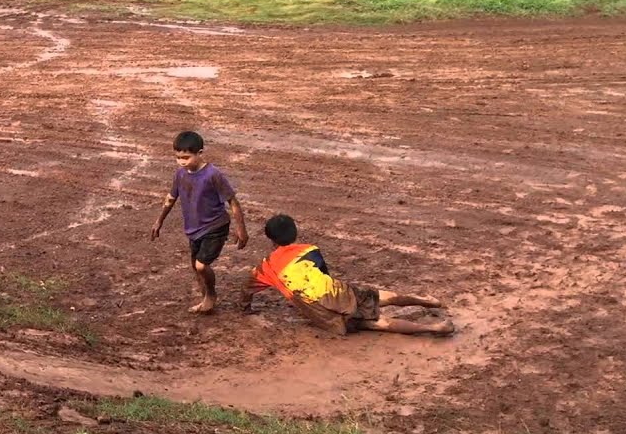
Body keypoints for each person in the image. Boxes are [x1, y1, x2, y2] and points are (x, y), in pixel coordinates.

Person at [242, 214, 454, 336]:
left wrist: (246, 307)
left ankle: (433, 327)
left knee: (377, 323)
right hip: (337, 295)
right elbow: (324, 273)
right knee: (381, 297)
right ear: (295, 233)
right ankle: (429, 302)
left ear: (270, 239)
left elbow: (246, 289)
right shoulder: (308, 250)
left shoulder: (266, 267)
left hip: (323, 317)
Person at [151, 131, 249, 314]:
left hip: (215, 226)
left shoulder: (213, 175)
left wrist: (241, 229)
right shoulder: (180, 174)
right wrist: (159, 221)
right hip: (194, 229)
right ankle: (206, 298)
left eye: (186, 157)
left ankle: (211, 296)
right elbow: (171, 198)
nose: (181, 162)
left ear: (200, 153)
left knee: (201, 265)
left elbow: (233, 202)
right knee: (195, 266)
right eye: (178, 157)